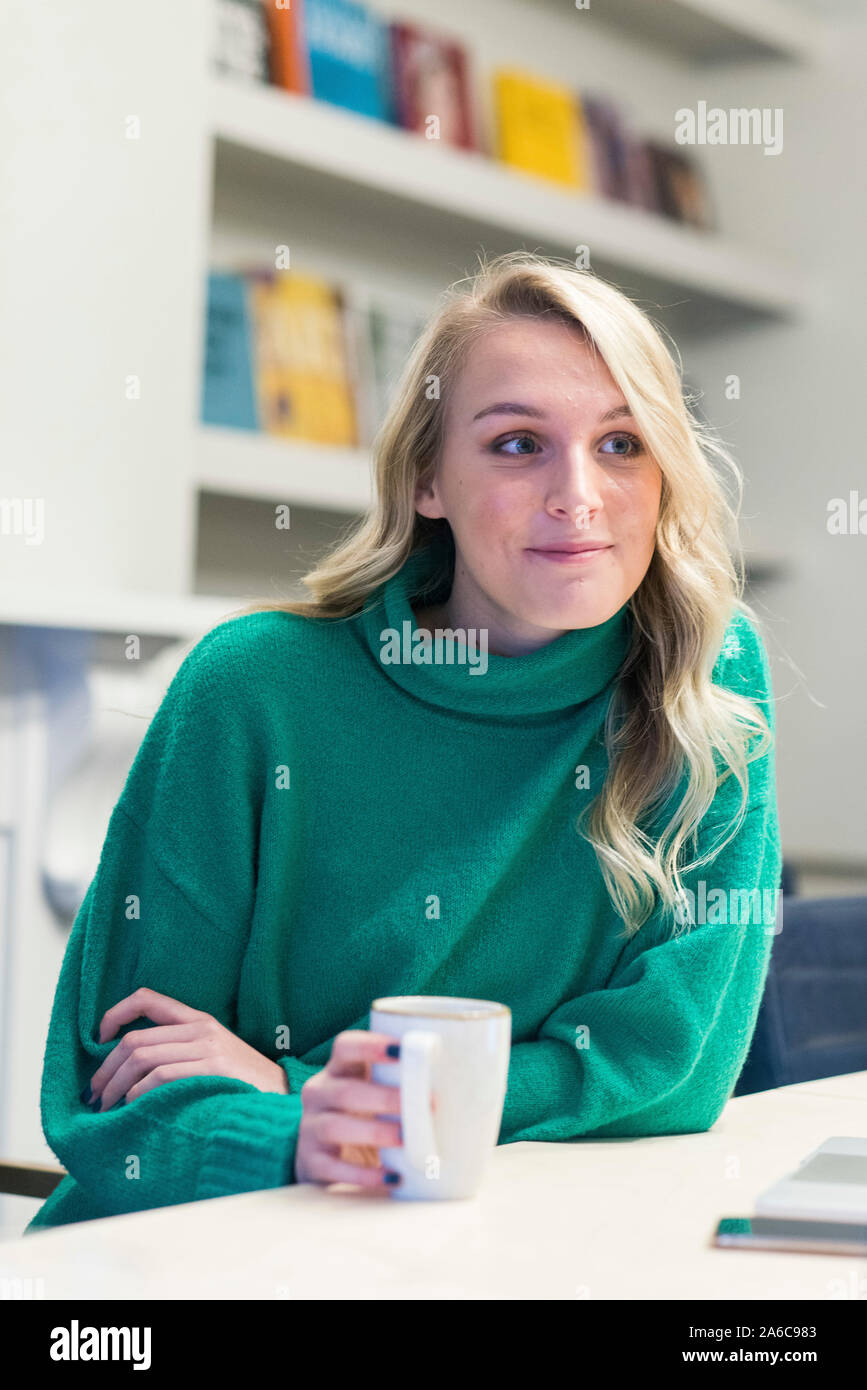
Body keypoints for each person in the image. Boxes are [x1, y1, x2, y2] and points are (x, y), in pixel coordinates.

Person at [26, 252, 781, 1230]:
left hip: (490, 1245)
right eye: (517, 444)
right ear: (427, 478)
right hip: (191, 1250)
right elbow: (112, 1083)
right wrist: (303, 1133)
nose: (578, 494)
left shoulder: (705, 677)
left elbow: (674, 1066)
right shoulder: (252, 687)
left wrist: (312, 1090)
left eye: (621, 443)